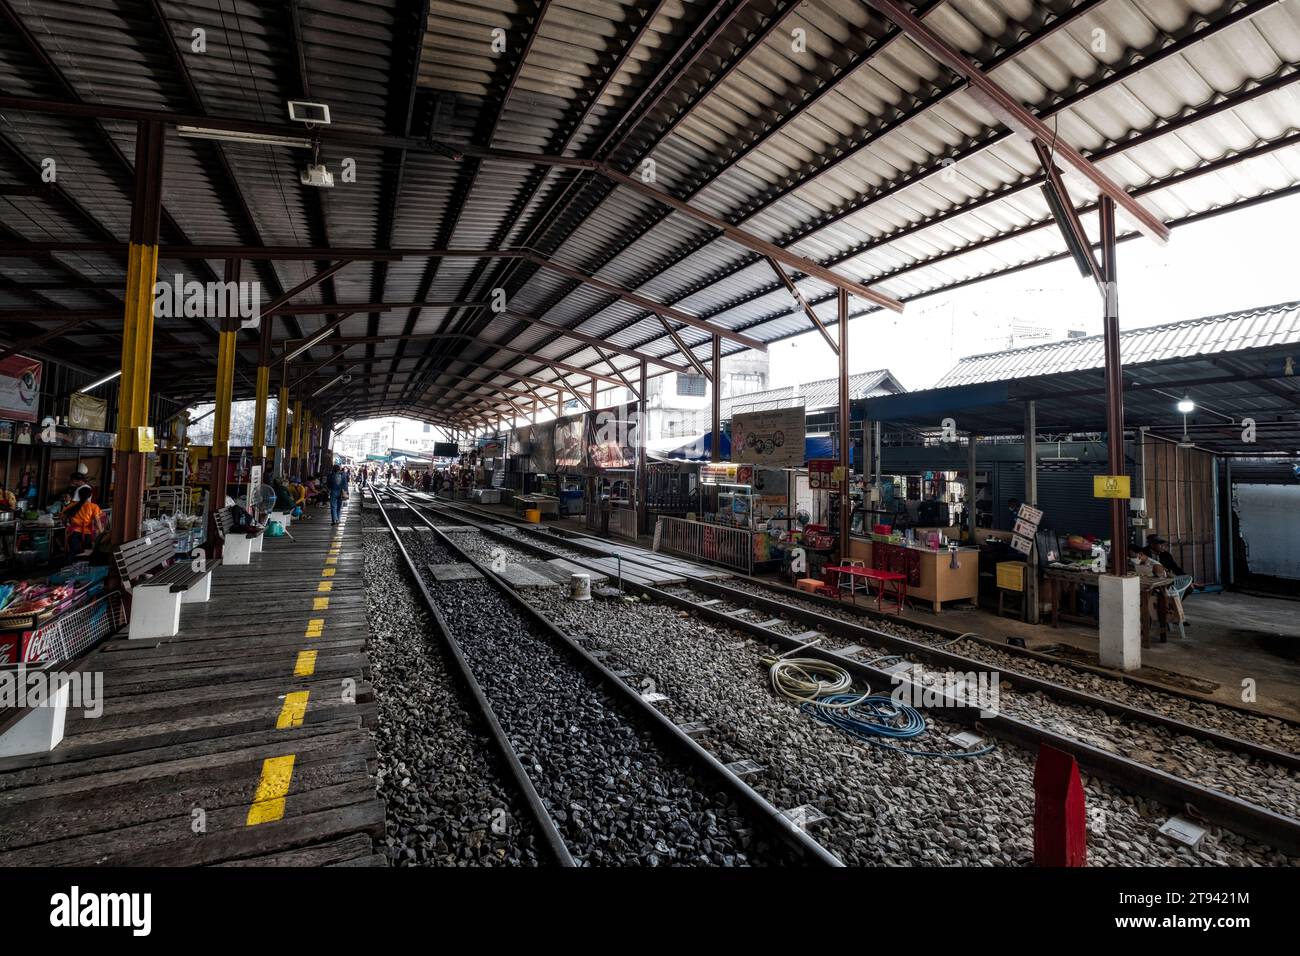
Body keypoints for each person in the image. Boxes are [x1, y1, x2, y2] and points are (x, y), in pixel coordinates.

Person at [64, 486, 105, 557]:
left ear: (79, 495)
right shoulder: (94, 506)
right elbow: (97, 521)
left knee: (74, 554)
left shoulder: (72, 505)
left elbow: (63, 516)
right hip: (87, 534)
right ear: (90, 496)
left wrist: (67, 524)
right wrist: (102, 533)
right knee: (85, 556)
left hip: (73, 532)